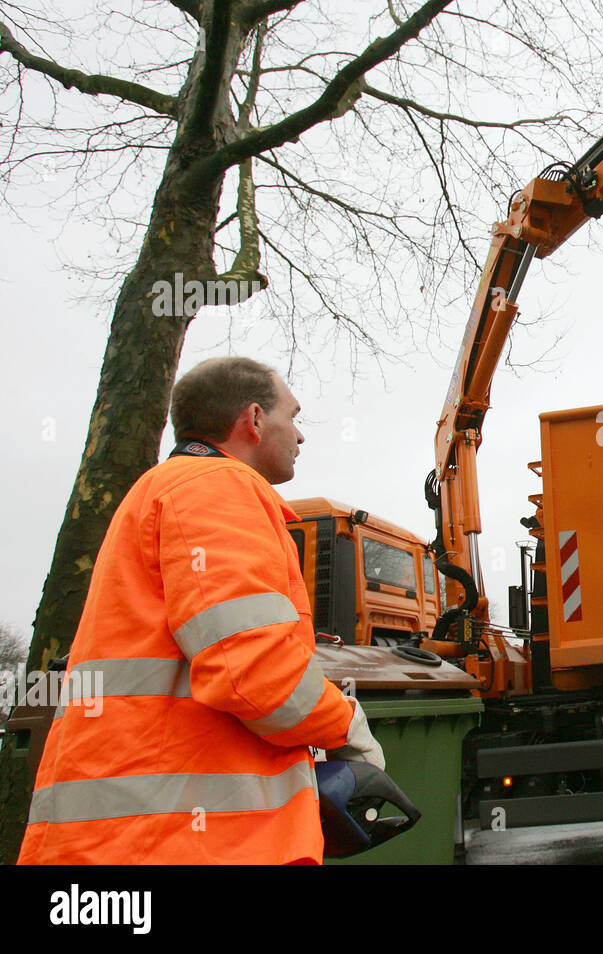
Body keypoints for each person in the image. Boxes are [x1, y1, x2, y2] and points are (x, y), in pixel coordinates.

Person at [19, 357, 382, 864]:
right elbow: (251, 671)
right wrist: (346, 727)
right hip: (182, 844)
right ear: (253, 420)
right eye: (293, 416)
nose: (300, 436)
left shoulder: (169, 490)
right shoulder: (215, 488)